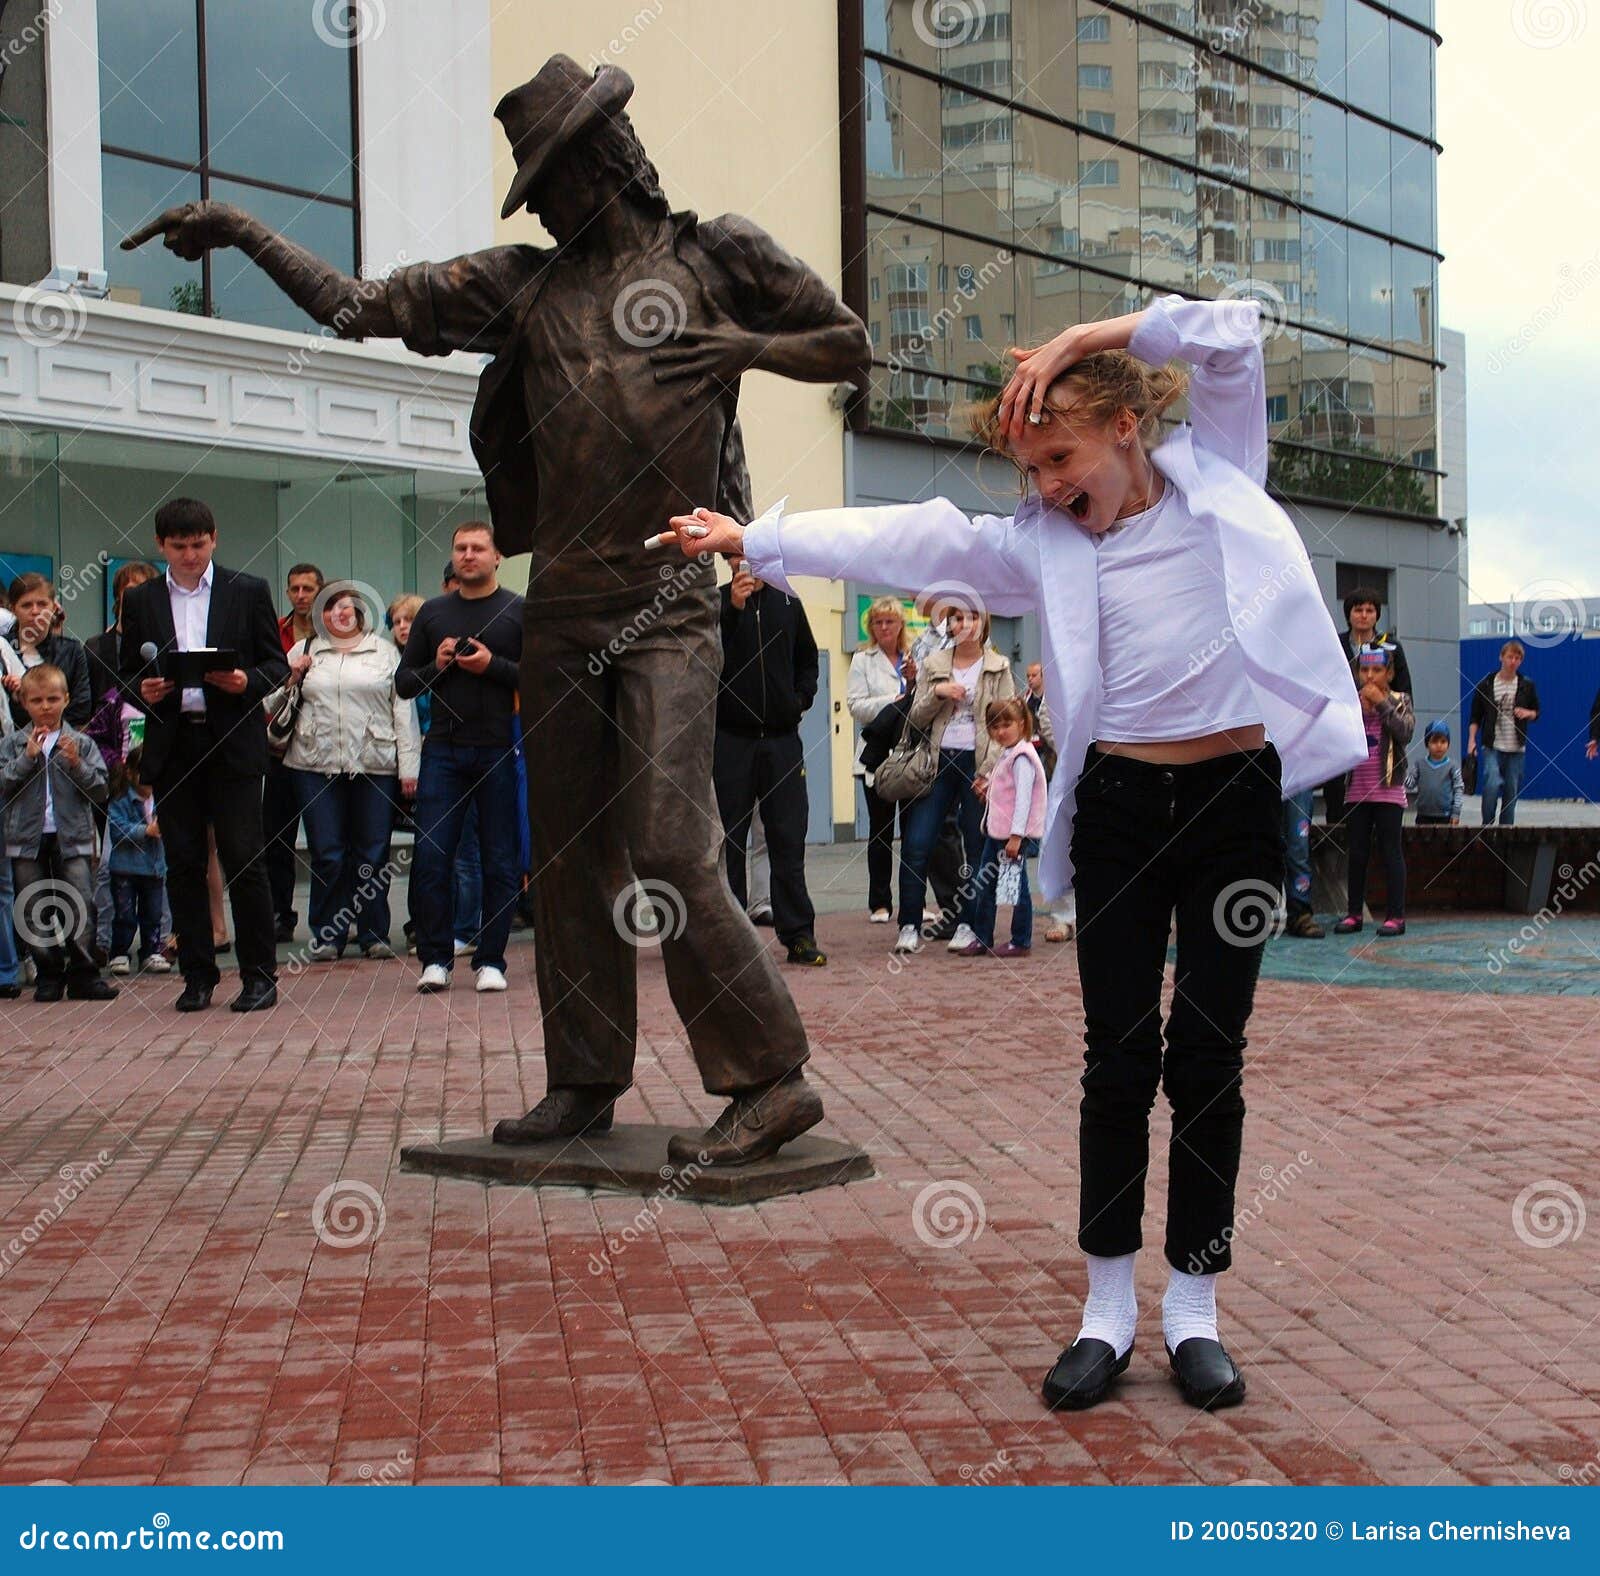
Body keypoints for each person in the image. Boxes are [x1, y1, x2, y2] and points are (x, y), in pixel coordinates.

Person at [123, 52, 867, 1167]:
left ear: (610, 159)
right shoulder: (523, 287)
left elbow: (848, 340)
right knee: (564, 854)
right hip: (561, 597)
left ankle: (770, 1075)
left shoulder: (720, 254)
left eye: (560, 174)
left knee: (668, 839)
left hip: (669, 597)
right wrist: (241, 230)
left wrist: (748, 347)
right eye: (540, 185)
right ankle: (582, 1077)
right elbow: (360, 305)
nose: (552, 198)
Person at [661, 290, 1366, 1411]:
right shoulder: (1041, 548)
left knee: (1210, 1058)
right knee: (1118, 1057)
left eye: (1058, 456)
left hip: (1235, 800)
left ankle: (1194, 1312)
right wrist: (761, 537)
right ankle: (1106, 1310)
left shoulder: (1218, 473)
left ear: (1124, 430)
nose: (1044, 487)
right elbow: (915, 538)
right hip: (1124, 805)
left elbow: (1234, 333)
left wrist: (1089, 335)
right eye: (1031, 468)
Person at [119, 497, 288, 1013]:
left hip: (232, 740)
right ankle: (197, 975)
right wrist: (139, 691)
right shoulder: (144, 598)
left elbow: (275, 665)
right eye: (179, 547)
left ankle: (259, 976)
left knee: (244, 860)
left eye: (198, 544)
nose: (190, 555)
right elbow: (125, 672)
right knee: (184, 864)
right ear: (161, 545)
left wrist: (245, 682)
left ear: (214, 538)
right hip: (175, 744)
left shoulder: (248, 590)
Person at [394, 522, 522, 993]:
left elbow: (541, 680)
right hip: (442, 751)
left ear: (496, 557)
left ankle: (491, 960)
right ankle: (435, 959)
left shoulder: (517, 611)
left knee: (499, 859)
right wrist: (439, 664)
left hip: (496, 749)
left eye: (478, 548)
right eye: (461, 548)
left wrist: (493, 666)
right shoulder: (432, 613)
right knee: (431, 856)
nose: (469, 555)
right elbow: (405, 684)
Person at [265, 582, 420, 961]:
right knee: (328, 852)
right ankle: (328, 934)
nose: (340, 613)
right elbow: (268, 701)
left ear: (360, 612)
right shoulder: (303, 650)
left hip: (374, 765)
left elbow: (404, 712)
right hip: (313, 764)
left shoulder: (384, 653)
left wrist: (409, 767)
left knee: (372, 853)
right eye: (331, 608)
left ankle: (373, 933)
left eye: (347, 607)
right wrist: (292, 675)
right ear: (320, 616)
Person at [713, 560, 826, 966]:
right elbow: (707, 662)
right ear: (727, 562)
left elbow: (808, 660)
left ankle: (798, 935)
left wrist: (799, 700)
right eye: (735, 558)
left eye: (751, 557)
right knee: (729, 840)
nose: (744, 566)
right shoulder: (718, 603)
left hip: (781, 741)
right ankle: (731, 940)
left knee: (787, 838)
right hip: (732, 741)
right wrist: (733, 612)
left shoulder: (788, 601)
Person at [893, 603, 1015, 957]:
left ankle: (968, 924)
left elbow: (1007, 725)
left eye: (973, 617)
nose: (965, 624)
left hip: (977, 765)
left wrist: (989, 772)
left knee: (976, 847)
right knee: (917, 843)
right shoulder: (935, 664)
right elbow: (915, 717)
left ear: (983, 622)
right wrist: (937, 694)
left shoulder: (998, 666)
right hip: (937, 761)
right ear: (950, 624)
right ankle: (909, 926)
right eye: (958, 618)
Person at [0, 665, 117, 1001]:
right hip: (25, 838)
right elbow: (4, 784)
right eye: (37, 700)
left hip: (74, 835)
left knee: (81, 903)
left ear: (66, 699)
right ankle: (49, 974)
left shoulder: (81, 742)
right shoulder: (12, 744)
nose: (46, 706)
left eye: (53, 699)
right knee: (32, 906)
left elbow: (101, 791)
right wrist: (27, 759)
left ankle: (84, 974)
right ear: (24, 702)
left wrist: (77, 764)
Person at [84, 560, 161, 958]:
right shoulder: (98, 650)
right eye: (128, 593)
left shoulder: (167, 648)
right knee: (111, 867)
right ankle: (110, 944)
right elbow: (91, 722)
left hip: (162, 776)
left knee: (166, 862)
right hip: (116, 778)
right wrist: (117, 764)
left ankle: (161, 941)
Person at [1335, 645, 1414, 937]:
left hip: (1388, 790)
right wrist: (1357, 707)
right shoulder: (1350, 702)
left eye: (1377, 670)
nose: (1370, 675)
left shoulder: (1399, 699)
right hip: (1357, 789)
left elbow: (1405, 731)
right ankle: (1354, 912)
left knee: (1391, 850)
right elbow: (1339, 735)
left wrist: (1381, 704)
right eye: (1364, 670)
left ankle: (1396, 915)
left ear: (1389, 673)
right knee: (1357, 853)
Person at [847, 597, 916, 924]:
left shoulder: (914, 657)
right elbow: (856, 706)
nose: (884, 627)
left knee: (915, 832)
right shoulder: (863, 659)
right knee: (881, 831)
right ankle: (880, 902)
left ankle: (914, 903)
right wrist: (895, 700)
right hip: (876, 754)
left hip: (912, 755)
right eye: (878, 622)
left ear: (901, 624)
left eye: (890, 621)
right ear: (871, 627)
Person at [266, 562, 324, 942]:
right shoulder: (275, 630)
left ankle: (332, 917)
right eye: (294, 589)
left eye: (308, 588)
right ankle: (280, 915)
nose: (301, 595)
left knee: (325, 838)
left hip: (319, 748)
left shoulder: (334, 630)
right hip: (279, 748)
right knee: (276, 836)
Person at [1323, 587, 1411, 824]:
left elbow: (1404, 690)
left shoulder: (1391, 646)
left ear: (1377, 615)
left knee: (1382, 817)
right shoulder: (1335, 643)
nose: (1363, 615)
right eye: (1358, 609)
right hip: (1343, 730)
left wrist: (1382, 702)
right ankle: (1339, 856)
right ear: (1348, 614)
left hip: (1382, 733)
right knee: (1338, 798)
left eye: (1369, 610)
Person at [967, 697, 1046, 957]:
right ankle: (983, 936)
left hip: (1012, 836)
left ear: (1021, 724)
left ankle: (1020, 940)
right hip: (997, 832)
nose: (1000, 731)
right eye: (994, 726)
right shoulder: (1008, 753)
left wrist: (1016, 836)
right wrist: (988, 787)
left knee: (1016, 888)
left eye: (1006, 725)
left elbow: (1023, 800)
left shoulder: (1022, 757)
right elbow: (1006, 789)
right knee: (986, 884)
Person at [105, 744, 170, 975]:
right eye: (143, 770)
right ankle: (120, 953)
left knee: (153, 914)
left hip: (154, 868)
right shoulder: (120, 800)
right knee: (124, 914)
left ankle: (151, 951)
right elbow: (116, 830)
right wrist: (145, 831)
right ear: (130, 773)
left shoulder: (164, 798)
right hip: (125, 869)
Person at [4, 573, 90, 729]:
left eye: (42, 604)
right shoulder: (2, 648)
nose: (35, 611)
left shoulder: (72, 650)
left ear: (54, 607)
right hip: (10, 746)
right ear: (13, 609)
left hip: (61, 744)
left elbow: (81, 708)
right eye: (26, 605)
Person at [1467, 639, 1539, 826]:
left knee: (1511, 790)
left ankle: (1506, 830)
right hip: (1493, 744)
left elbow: (1536, 711)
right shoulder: (1487, 684)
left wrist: (1527, 713)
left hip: (1516, 746)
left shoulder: (1526, 685)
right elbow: (1475, 715)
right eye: (1510, 657)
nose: (1513, 661)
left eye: (1517, 658)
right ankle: (1487, 824)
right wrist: (1472, 740)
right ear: (1501, 657)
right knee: (1491, 783)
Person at [1406, 719, 1464, 826]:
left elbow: (1458, 789)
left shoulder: (1452, 766)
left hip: (1445, 816)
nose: (1439, 745)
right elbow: (1410, 784)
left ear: (1448, 743)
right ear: (1427, 744)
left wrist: (1456, 813)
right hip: (1423, 815)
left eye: (1443, 741)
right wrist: (1401, 771)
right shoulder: (1419, 764)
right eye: (1434, 741)